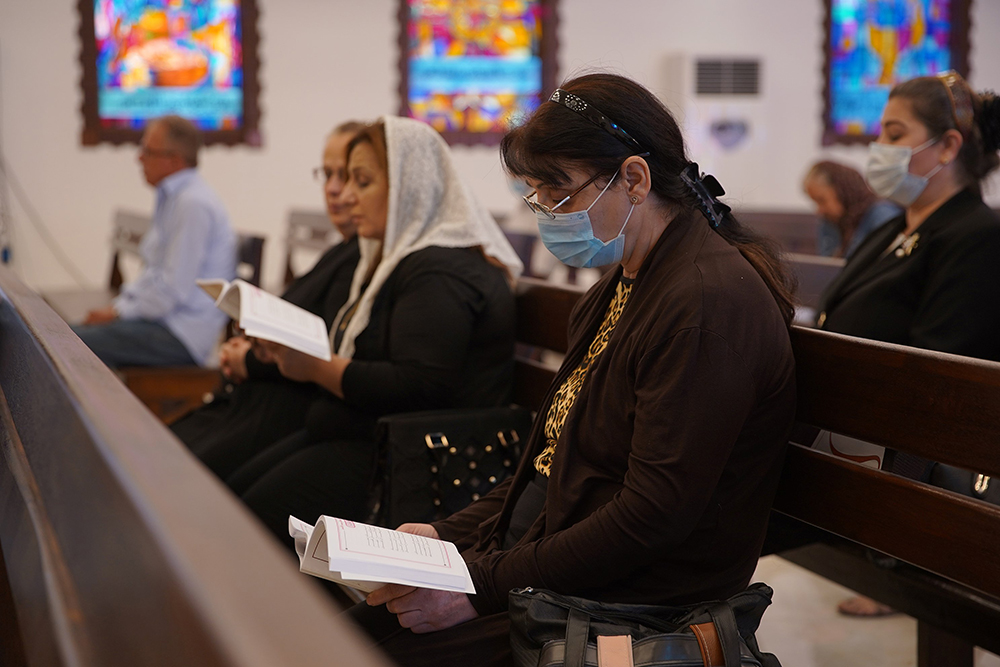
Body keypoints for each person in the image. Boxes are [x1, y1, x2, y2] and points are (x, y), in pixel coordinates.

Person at [346, 74, 798, 667]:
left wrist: (477, 585)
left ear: (634, 178)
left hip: (634, 609)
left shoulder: (704, 305)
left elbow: (650, 518)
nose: (545, 214)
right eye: (534, 195)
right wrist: (447, 537)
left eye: (556, 193)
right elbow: (555, 463)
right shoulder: (626, 281)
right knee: (350, 622)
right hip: (563, 568)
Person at [227, 116, 523, 543]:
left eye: (361, 182)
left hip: (414, 460)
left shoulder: (440, 270)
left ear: (410, 187)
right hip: (370, 440)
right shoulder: (395, 259)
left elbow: (419, 385)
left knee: (248, 523)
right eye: (344, 180)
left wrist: (314, 366)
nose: (347, 196)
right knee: (234, 501)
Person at [815, 71, 1000, 616]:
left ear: (947, 146)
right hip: (846, 446)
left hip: (912, 477)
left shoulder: (978, 235)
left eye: (895, 134)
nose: (880, 149)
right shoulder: (890, 229)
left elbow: (938, 376)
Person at [170, 122, 365, 478]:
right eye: (329, 174)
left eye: (352, 176)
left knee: (181, 473)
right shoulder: (343, 251)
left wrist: (251, 359)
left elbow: (325, 350)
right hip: (257, 396)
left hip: (283, 407)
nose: (337, 190)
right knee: (164, 450)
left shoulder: (362, 260)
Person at [73, 115, 236, 368]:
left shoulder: (193, 204)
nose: (139, 158)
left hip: (181, 335)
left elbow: (173, 290)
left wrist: (118, 313)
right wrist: (119, 308)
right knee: (64, 337)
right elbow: (154, 274)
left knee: (68, 344)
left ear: (174, 160)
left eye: (147, 151)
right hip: (164, 322)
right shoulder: (174, 197)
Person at [803, 160, 899, 258]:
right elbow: (826, 267)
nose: (819, 210)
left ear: (842, 191)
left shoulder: (883, 216)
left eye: (822, 200)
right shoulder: (829, 221)